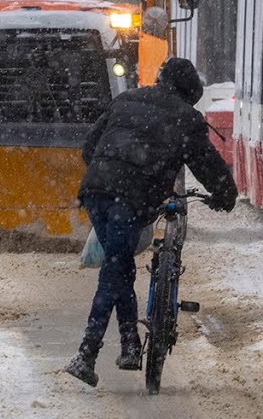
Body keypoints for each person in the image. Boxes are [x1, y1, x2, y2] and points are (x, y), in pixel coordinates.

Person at [65, 57, 237, 387]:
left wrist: (109, 171)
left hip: (96, 192)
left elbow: (90, 147)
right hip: (128, 200)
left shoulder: (126, 98)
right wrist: (225, 195)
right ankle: (86, 353)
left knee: (119, 266)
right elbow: (208, 166)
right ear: (189, 93)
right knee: (113, 271)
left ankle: (130, 343)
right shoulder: (187, 118)